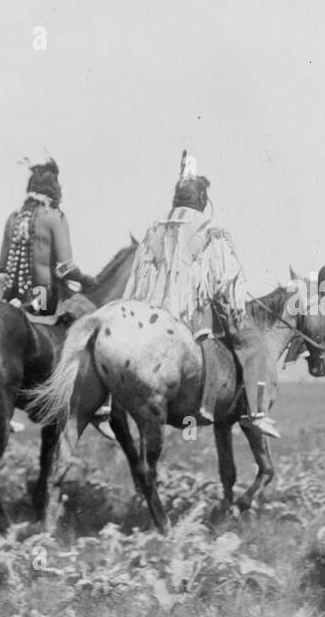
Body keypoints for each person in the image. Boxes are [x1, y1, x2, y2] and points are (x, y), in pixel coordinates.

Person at [120, 150, 280, 438]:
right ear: (202, 201)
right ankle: (255, 412)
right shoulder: (210, 232)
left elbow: (137, 279)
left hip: (150, 312)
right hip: (191, 315)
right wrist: (233, 308)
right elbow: (225, 283)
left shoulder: (154, 232)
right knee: (255, 344)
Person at [0, 156, 97, 319]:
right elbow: (65, 269)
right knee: (90, 318)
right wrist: (85, 279)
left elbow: (2, 269)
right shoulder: (54, 217)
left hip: (11, 298)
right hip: (41, 298)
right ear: (54, 188)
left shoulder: (13, 218)